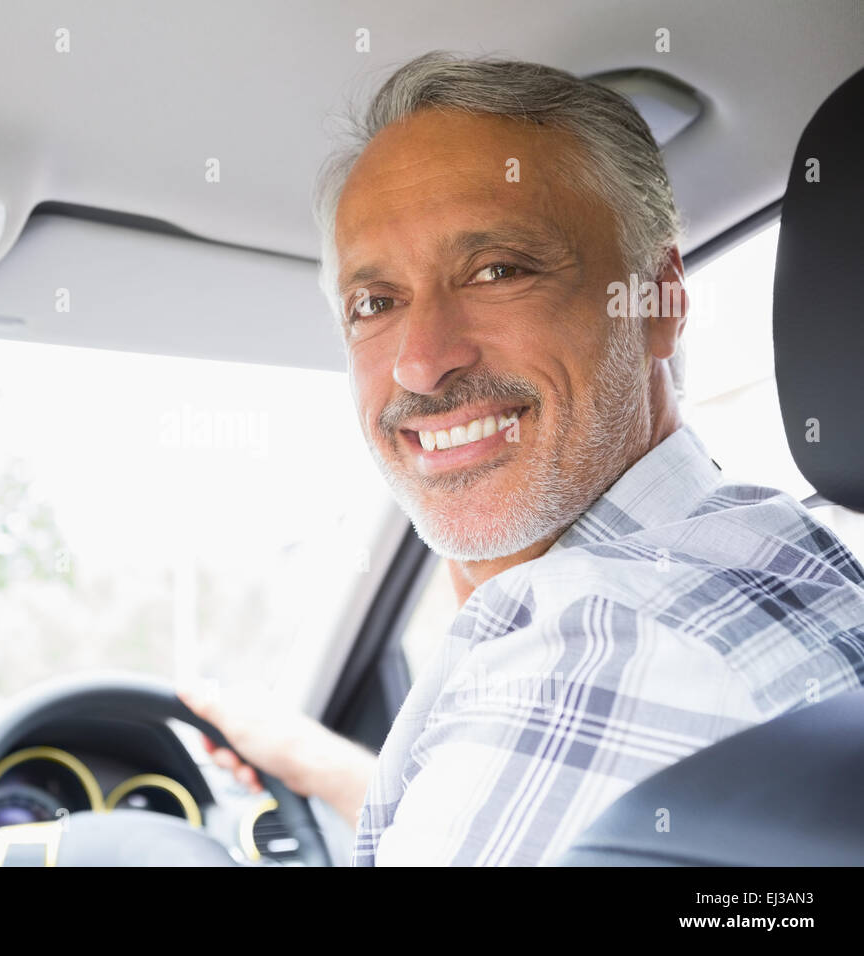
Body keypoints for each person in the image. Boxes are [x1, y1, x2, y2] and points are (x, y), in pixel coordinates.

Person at [180, 51, 864, 865]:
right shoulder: (778, 552)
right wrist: (326, 770)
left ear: (659, 302)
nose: (421, 361)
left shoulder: (608, 641)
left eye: (497, 270)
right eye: (375, 303)